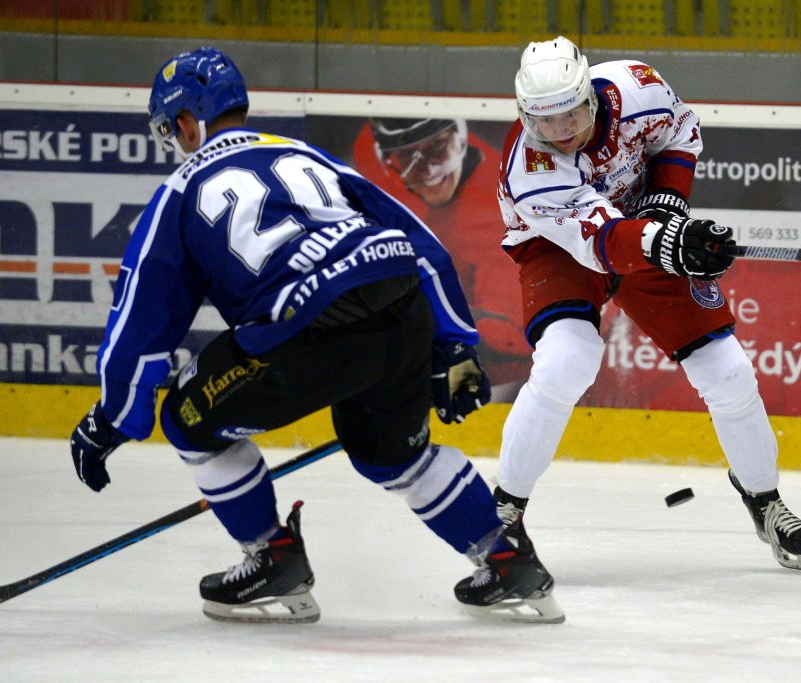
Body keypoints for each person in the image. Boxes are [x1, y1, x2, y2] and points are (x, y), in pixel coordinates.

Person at [68, 46, 564, 624]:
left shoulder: (179, 193)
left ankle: (270, 556)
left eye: (171, 129)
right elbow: (418, 242)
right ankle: (507, 561)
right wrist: (452, 345)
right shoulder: (304, 154)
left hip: (306, 330)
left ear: (185, 122)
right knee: (395, 456)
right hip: (398, 303)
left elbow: (142, 320)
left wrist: (114, 416)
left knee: (185, 419)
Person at [494, 36, 801, 572]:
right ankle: (504, 513)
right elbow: (600, 242)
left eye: (571, 114)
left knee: (729, 371)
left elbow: (679, 131)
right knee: (565, 360)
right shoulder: (531, 168)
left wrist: (669, 198)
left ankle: (765, 501)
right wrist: (666, 242)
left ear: (591, 96)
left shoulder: (637, 86)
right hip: (559, 246)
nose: (560, 132)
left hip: (639, 227)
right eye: (544, 121)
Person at [352, 118, 531, 398]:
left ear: (461, 140)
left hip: (501, 370)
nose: (428, 167)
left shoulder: (495, 223)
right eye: (408, 154)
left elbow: (514, 343)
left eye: (437, 146)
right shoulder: (373, 153)